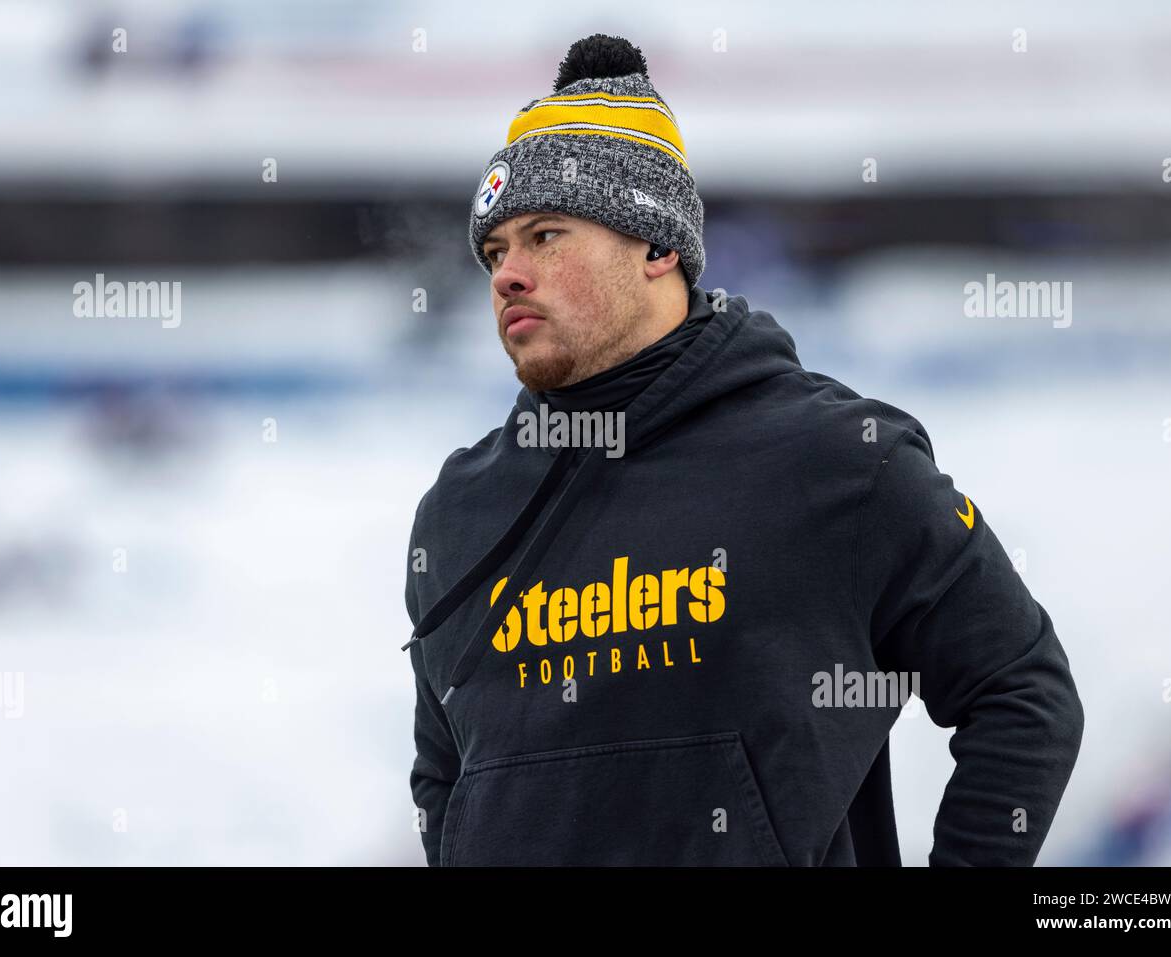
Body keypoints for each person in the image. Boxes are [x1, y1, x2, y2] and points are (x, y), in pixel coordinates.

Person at [402, 33, 1083, 866]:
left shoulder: (839, 462)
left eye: (545, 235)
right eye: (496, 250)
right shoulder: (459, 508)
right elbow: (444, 778)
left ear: (657, 248)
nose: (508, 273)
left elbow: (1023, 692)